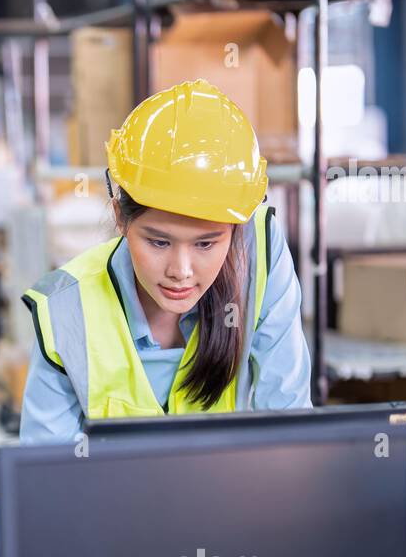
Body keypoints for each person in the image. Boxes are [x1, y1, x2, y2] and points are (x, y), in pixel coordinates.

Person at [20, 79, 311, 444]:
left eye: (206, 243)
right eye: (159, 241)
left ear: (236, 231)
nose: (181, 271)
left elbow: (289, 429)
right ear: (120, 217)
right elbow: (48, 474)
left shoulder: (260, 256)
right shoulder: (66, 308)